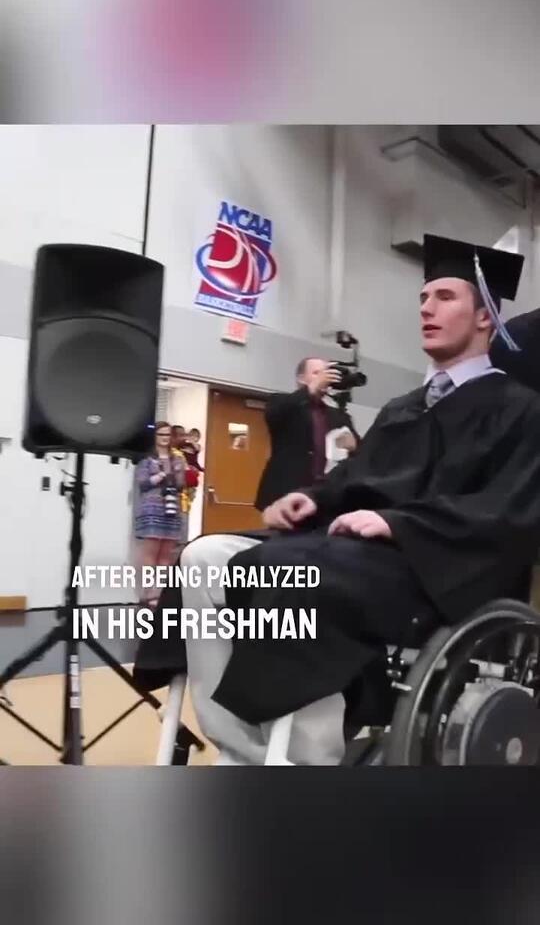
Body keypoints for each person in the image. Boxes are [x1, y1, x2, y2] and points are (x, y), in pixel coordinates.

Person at [156, 234, 540, 764]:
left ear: (484, 316)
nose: (426, 307)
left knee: (292, 574)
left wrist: (397, 524)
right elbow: (356, 479)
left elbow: (509, 512)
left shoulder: (520, 409)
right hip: (355, 553)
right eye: (423, 298)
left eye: (445, 296)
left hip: (436, 568)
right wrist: (309, 500)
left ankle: (311, 763)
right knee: (200, 558)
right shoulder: (404, 409)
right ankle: (243, 749)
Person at [255, 357, 360, 511]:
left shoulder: (339, 415)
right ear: (301, 379)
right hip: (286, 493)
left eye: (326, 373)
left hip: (324, 496)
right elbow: (275, 414)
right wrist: (312, 388)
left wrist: (355, 446)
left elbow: (360, 453)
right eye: (317, 373)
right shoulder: (281, 401)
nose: (325, 377)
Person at [134, 422, 186, 608]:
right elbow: (143, 483)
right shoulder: (146, 459)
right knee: (150, 552)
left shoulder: (177, 459)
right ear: (154, 436)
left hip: (171, 507)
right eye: (161, 434)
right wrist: (161, 475)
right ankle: (147, 592)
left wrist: (179, 476)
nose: (165, 438)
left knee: (166, 553)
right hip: (152, 506)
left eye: (167, 434)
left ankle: (160, 591)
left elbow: (181, 485)